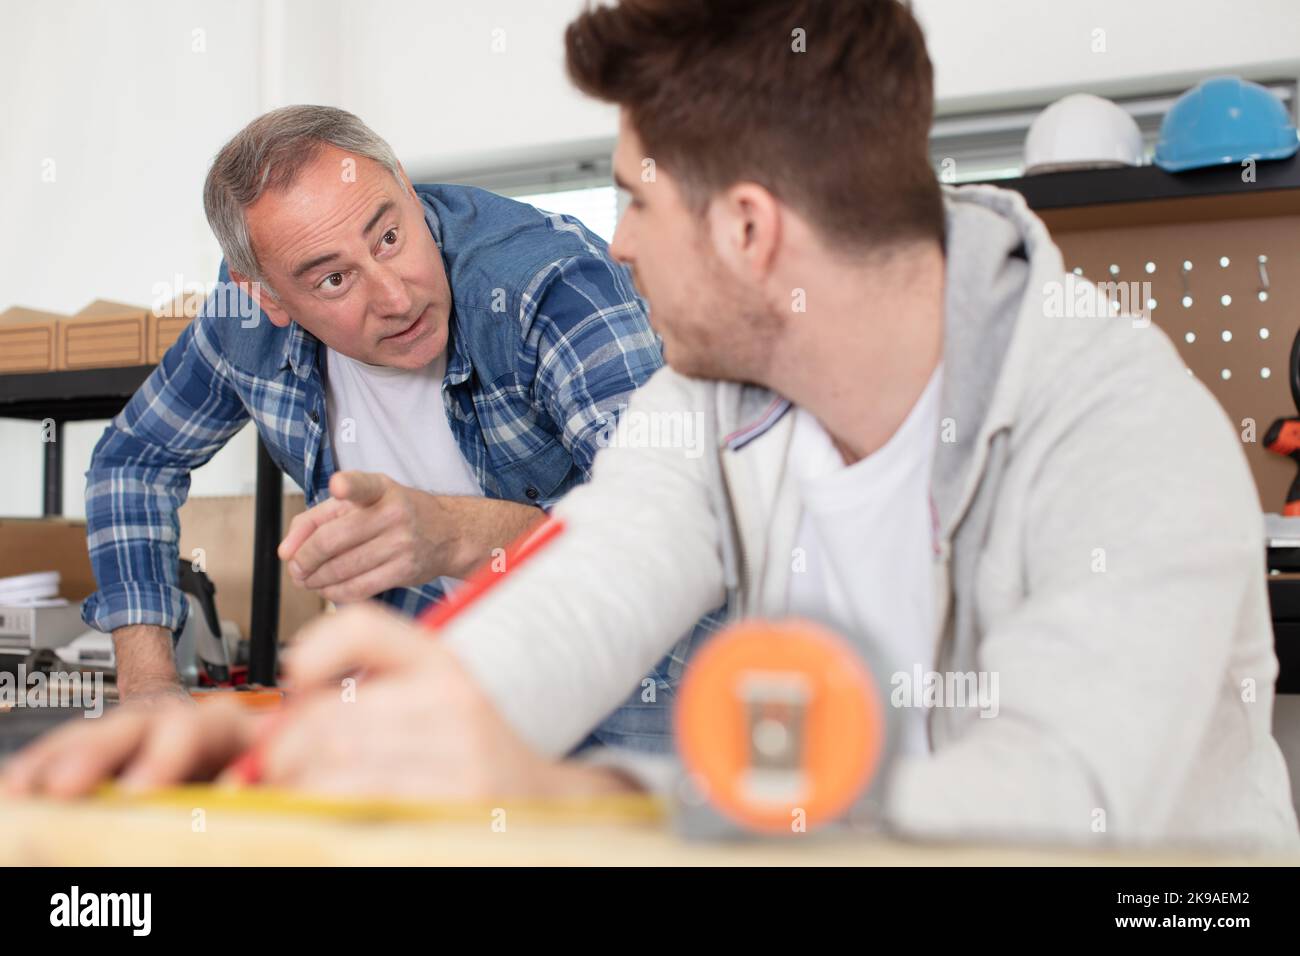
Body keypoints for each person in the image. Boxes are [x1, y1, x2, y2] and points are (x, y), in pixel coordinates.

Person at [9, 0, 1296, 850]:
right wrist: (292, 743)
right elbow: (579, 596)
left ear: (748, 232)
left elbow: (1056, 803)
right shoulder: (710, 402)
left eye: (631, 202)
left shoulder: (1117, 428)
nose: (611, 243)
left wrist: (609, 794)